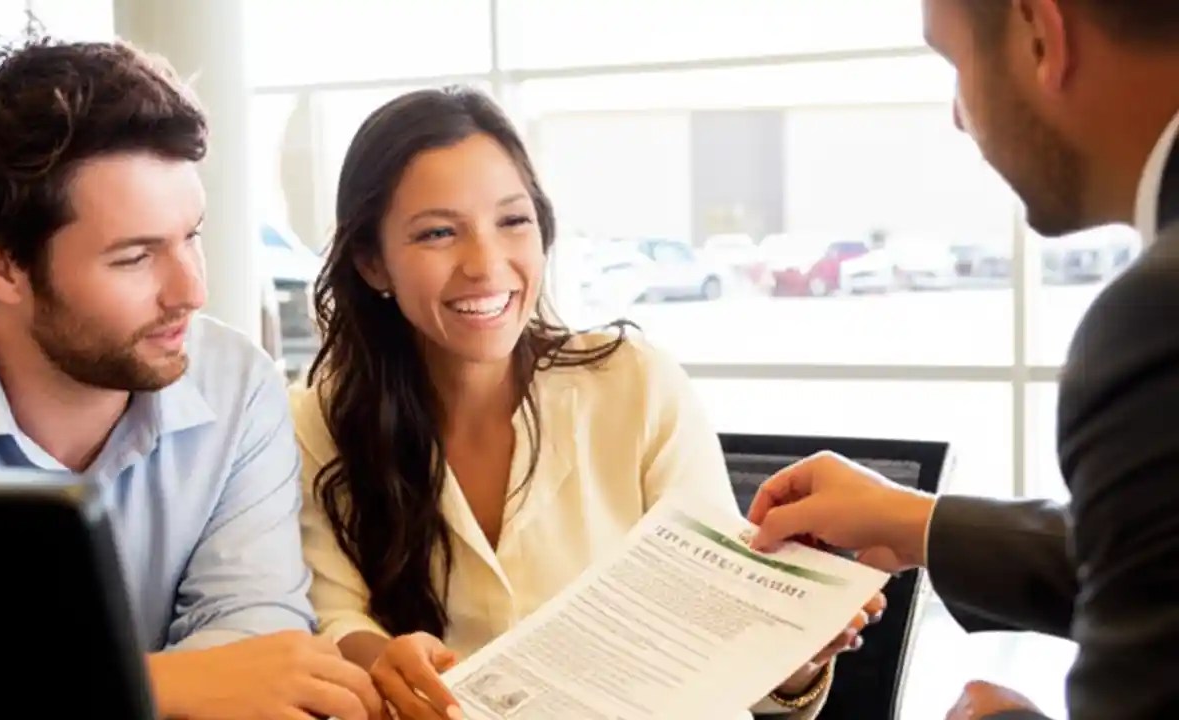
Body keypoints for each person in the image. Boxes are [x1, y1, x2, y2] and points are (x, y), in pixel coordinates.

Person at [292, 85, 884, 720]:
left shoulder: (633, 382)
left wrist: (793, 656)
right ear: (372, 263)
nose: (487, 264)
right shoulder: (318, 418)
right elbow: (333, 613)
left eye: (513, 221)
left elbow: (727, 646)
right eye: (438, 233)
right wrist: (382, 659)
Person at [0, 36, 381, 720]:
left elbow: (256, 640)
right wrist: (162, 687)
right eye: (133, 258)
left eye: (192, 236)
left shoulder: (235, 384)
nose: (191, 291)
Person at [747, 1, 1179, 719]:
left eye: (954, 63)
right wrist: (912, 522)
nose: (957, 114)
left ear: (1042, 35)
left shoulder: (1154, 320)